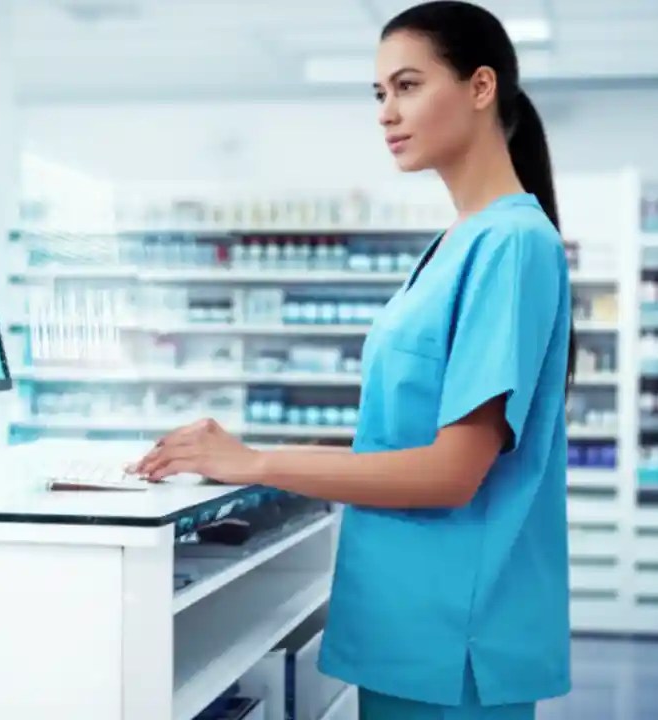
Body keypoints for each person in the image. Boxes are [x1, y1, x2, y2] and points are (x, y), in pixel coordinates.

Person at [131, 2, 573, 718]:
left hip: (451, 638)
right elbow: (400, 436)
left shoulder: (513, 246)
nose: (386, 112)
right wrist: (255, 452)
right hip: (405, 620)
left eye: (406, 86)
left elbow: (451, 471)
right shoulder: (456, 243)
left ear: (481, 87)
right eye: (378, 94)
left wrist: (260, 464)